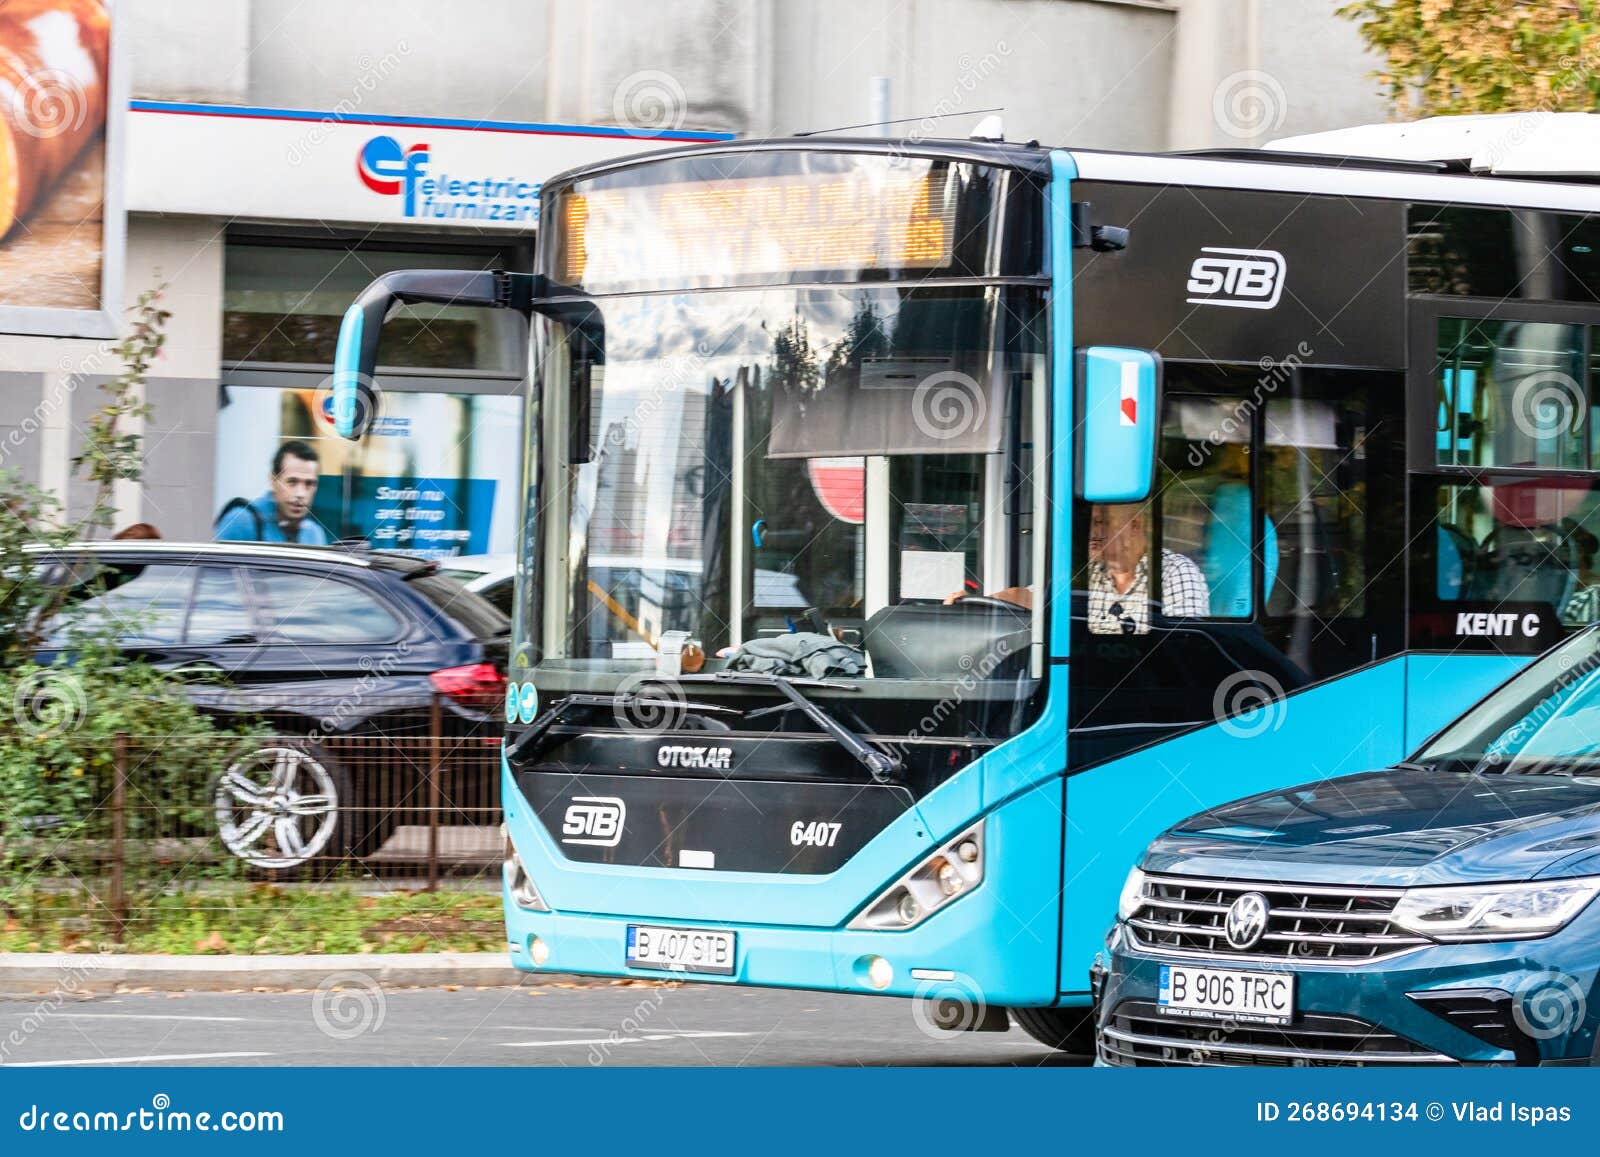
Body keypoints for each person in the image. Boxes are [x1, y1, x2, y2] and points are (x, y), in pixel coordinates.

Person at [1086, 502, 1209, 634]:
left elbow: (1184, 643)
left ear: (1134, 526)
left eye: (1100, 522)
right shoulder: (1088, 572)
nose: (1091, 533)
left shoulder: (1176, 571)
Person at [215, 440, 329, 545]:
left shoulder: (314, 534)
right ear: (273, 480)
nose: (300, 494)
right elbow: (213, 566)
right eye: (292, 482)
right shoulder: (242, 521)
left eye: (309, 484)